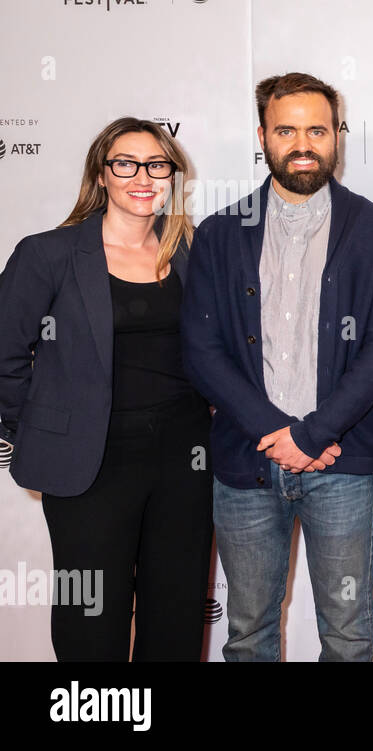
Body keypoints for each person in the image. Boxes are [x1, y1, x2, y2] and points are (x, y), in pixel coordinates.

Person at [181, 72, 373, 661]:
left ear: (338, 135)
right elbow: (203, 352)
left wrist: (311, 435)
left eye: (317, 129)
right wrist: (274, 433)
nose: (302, 142)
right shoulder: (219, 234)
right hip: (244, 465)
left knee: (348, 630)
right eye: (287, 129)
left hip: (344, 465)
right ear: (263, 135)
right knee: (250, 631)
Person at [0, 117, 212, 661]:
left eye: (157, 164)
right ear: (101, 173)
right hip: (90, 465)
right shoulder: (48, 254)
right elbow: (3, 355)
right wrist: (44, 430)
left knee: (177, 611)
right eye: (126, 163)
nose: (142, 176)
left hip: (183, 461)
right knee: (90, 619)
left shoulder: (189, 251)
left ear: (172, 176)